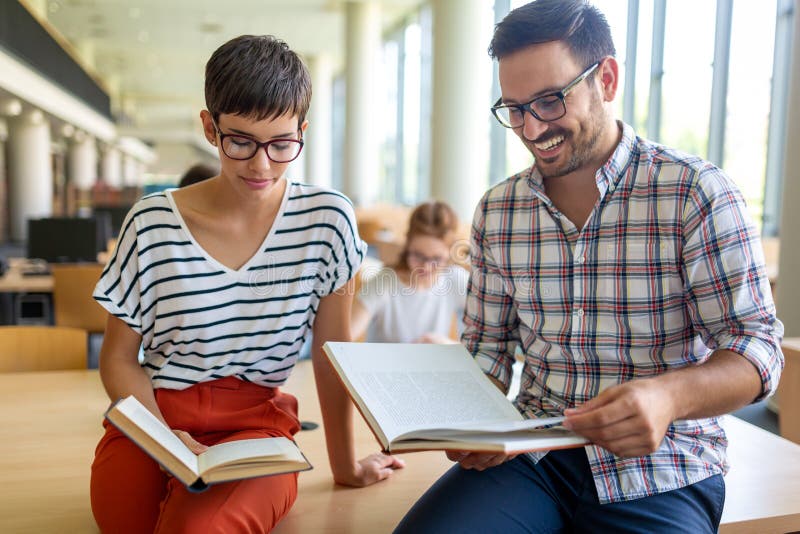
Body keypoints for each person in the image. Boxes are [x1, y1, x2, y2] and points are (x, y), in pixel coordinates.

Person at [395, 1, 784, 533]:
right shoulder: (498, 210)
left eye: (550, 101)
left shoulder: (697, 193)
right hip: (530, 459)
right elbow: (486, 348)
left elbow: (757, 347)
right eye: (514, 108)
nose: (532, 129)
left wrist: (668, 396)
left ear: (606, 78)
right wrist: (471, 423)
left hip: (664, 466)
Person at [89, 35, 403, 534]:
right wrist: (166, 437)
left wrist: (344, 466)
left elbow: (331, 352)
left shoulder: (327, 220)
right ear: (210, 128)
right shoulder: (152, 223)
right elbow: (119, 359)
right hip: (154, 413)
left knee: (199, 530)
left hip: (257, 424)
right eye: (240, 141)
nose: (262, 165)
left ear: (302, 130)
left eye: (282, 144)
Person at [351, 201, 469, 344]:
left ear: (450, 253)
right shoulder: (385, 281)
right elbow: (347, 334)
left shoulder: (455, 279)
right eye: (418, 255)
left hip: (433, 364)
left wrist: (448, 345)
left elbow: (491, 336)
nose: (425, 267)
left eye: (436, 259)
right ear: (407, 245)